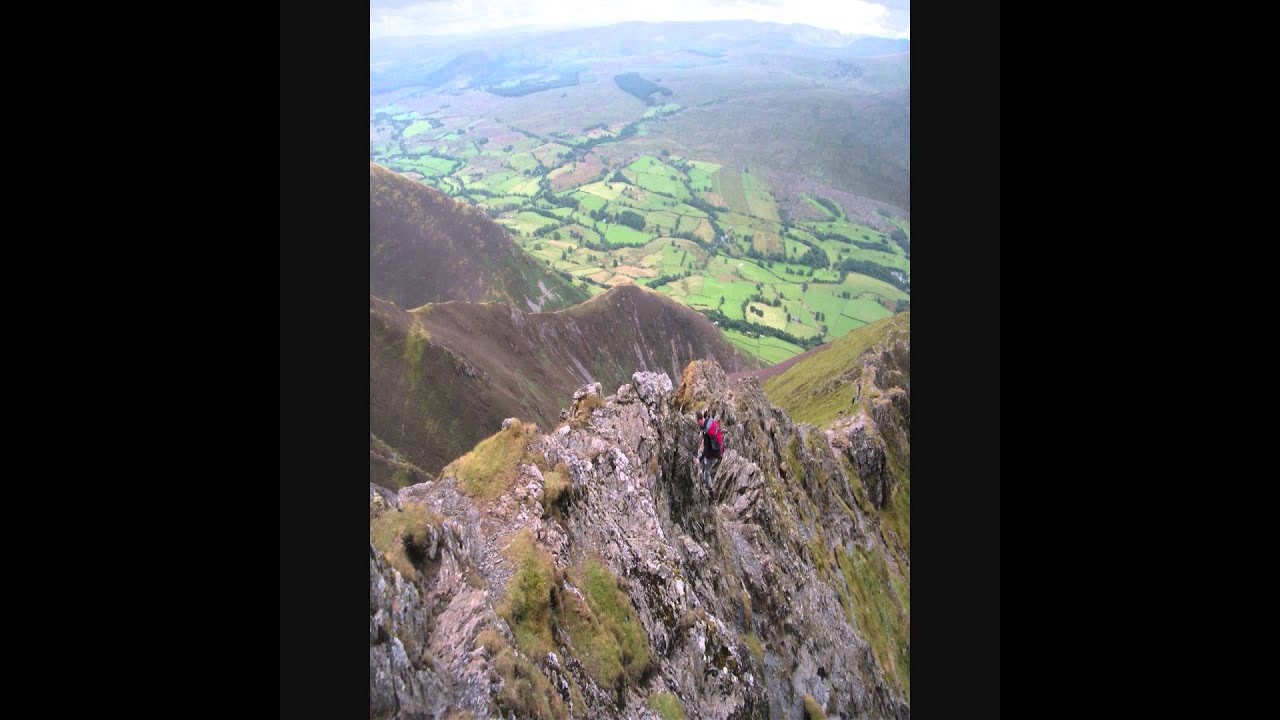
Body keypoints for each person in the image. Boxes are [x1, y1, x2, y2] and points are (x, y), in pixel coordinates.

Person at [696, 408, 722, 491]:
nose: (696, 423)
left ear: (700, 420)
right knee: (704, 462)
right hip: (717, 448)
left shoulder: (707, 431)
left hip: (713, 453)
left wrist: (700, 459)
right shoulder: (709, 420)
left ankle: (711, 491)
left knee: (706, 473)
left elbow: (706, 448)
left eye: (697, 421)